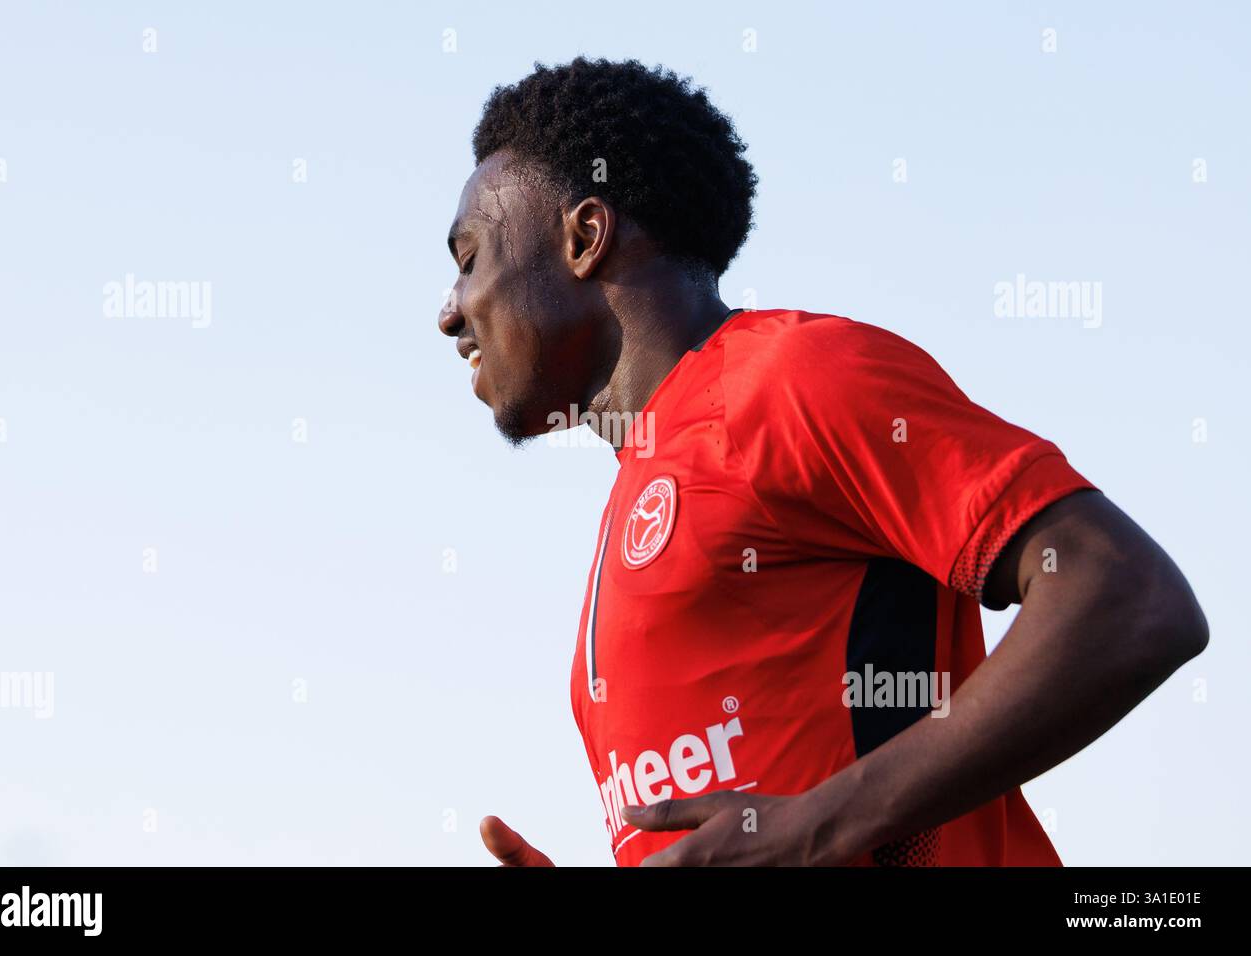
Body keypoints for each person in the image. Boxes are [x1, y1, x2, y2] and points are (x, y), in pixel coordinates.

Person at [438, 56, 1209, 866]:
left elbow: (1129, 596)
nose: (450, 312)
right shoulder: (641, 487)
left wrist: (817, 829)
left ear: (584, 237)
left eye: (469, 259)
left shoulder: (793, 377)